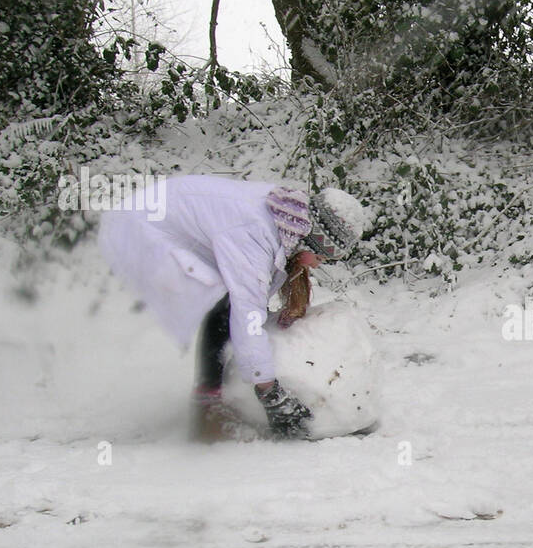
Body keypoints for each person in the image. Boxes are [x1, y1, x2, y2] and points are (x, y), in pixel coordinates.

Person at [97, 175, 363, 441]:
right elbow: (246, 309)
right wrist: (271, 395)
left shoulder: (286, 218)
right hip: (138, 233)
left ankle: (217, 399)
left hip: (152, 224)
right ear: (310, 239)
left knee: (230, 307)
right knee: (223, 303)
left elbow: (258, 289)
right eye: (319, 257)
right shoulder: (252, 233)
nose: (316, 265)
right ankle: (208, 415)